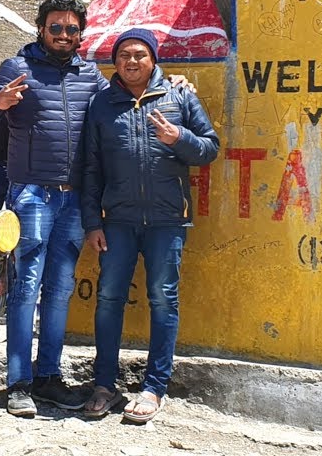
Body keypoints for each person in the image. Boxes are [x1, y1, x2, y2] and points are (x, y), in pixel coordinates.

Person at [0, 0, 192, 417]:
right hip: (31, 193)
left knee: (59, 290)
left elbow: (134, 90)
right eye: (56, 27)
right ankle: (19, 383)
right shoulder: (17, 68)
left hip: (73, 198)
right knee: (26, 285)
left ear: (80, 35)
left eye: (72, 29)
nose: (63, 35)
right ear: (41, 29)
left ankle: (49, 379)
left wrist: (175, 83)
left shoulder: (90, 75)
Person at [79, 28, 219, 423]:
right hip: (117, 221)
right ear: (115, 62)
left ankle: (155, 387)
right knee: (108, 300)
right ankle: (104, 385)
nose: (132, 61)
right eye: (124, 54)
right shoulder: (101, 105)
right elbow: (91, 170)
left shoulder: (179, 95)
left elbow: (209, 148)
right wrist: (93, 222)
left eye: (140, 54)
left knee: (163, 299)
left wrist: (179, 138)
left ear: (154, 59)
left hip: (167, 220)